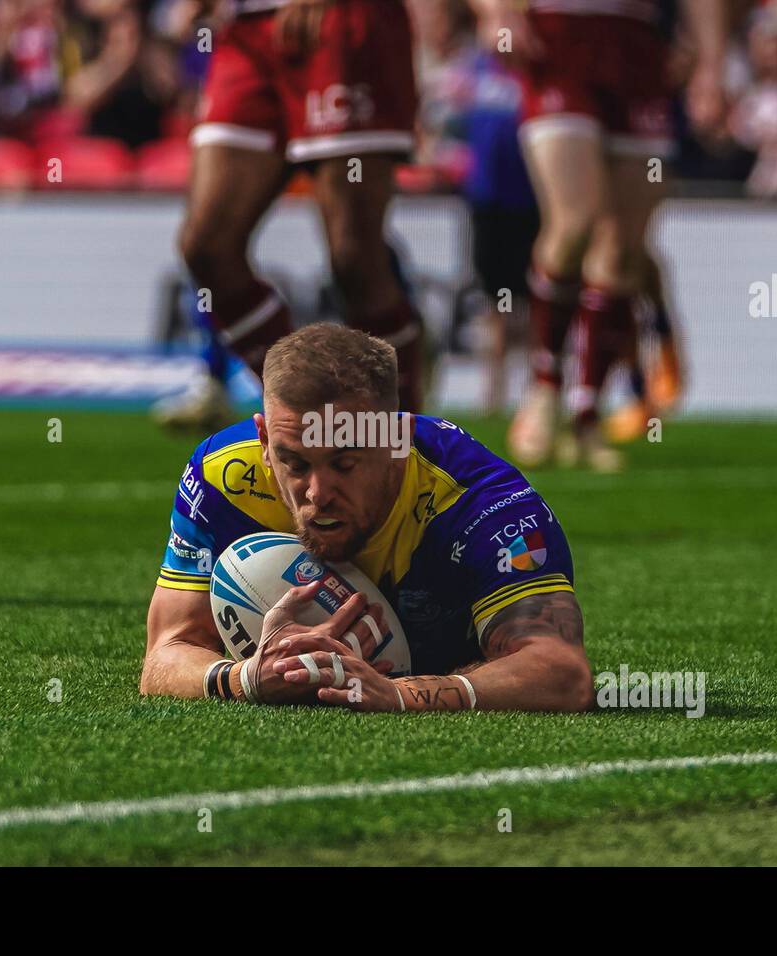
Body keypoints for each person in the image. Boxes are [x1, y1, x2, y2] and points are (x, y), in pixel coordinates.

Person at [141, 323, 593, 712]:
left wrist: (403, 696)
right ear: (263, 438)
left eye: (344, 463)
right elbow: (166, 654)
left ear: (396, 437)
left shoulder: (481, 502)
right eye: (294, 464)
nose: (317, 495)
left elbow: (561, 671)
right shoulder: (223, 479)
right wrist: (242, 679)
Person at [471, 0, 725, 470]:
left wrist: (711, 63)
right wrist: (495, 10)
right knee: (575, 222)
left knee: (624, 249)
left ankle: (586, 415)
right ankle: (544, 389)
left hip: (637, 44)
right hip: (558, 33)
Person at [176, 0, 427, 411]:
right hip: (245, 31)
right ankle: (308, 411)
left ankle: (405, 432)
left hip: (339, 22)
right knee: (206, 248)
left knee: (354, 260)